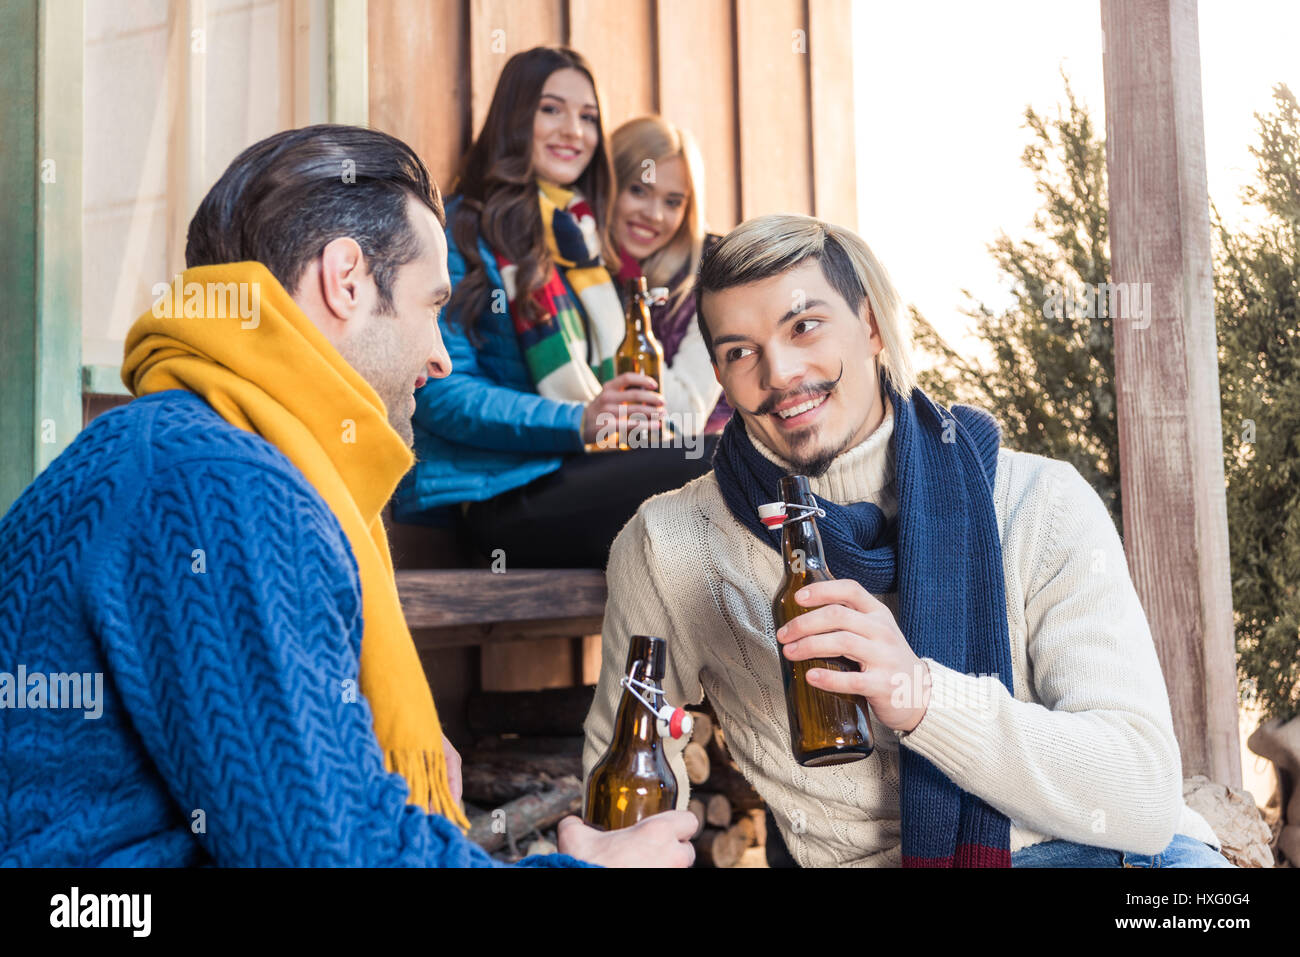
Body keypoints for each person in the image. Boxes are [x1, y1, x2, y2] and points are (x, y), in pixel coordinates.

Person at [0, 123, 696, 868]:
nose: (438, 354)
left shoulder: (169, 445)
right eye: (433, 305)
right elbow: (329, 857)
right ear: (347, 279)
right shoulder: (224, 486)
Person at [582, 213, 1235, 868]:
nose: (778, 371)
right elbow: (622, 800)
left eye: (803, 326)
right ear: (721, 377)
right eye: (739, 351)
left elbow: (1144, 794)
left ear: (868, 325)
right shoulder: (668, 545)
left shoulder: (1039, 501)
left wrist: (924, 697)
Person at [392, 47, 716, 569]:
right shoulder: (458, 231)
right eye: (552, 109)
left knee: (732, 477)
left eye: (588, 117)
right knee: (721, 460)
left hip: (581, 472)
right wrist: (580, 419)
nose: (574, 131)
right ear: (515, 116)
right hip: (504, 497)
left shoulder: (580, 242)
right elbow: (441, 396)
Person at [607, 115, 729, 434]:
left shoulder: (712, 274)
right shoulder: (579, 263)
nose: (654, 215)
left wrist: (605, 310)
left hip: (698, 461)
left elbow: (688, 413)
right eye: (638, 191)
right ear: (607, 184)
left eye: (673, 202)